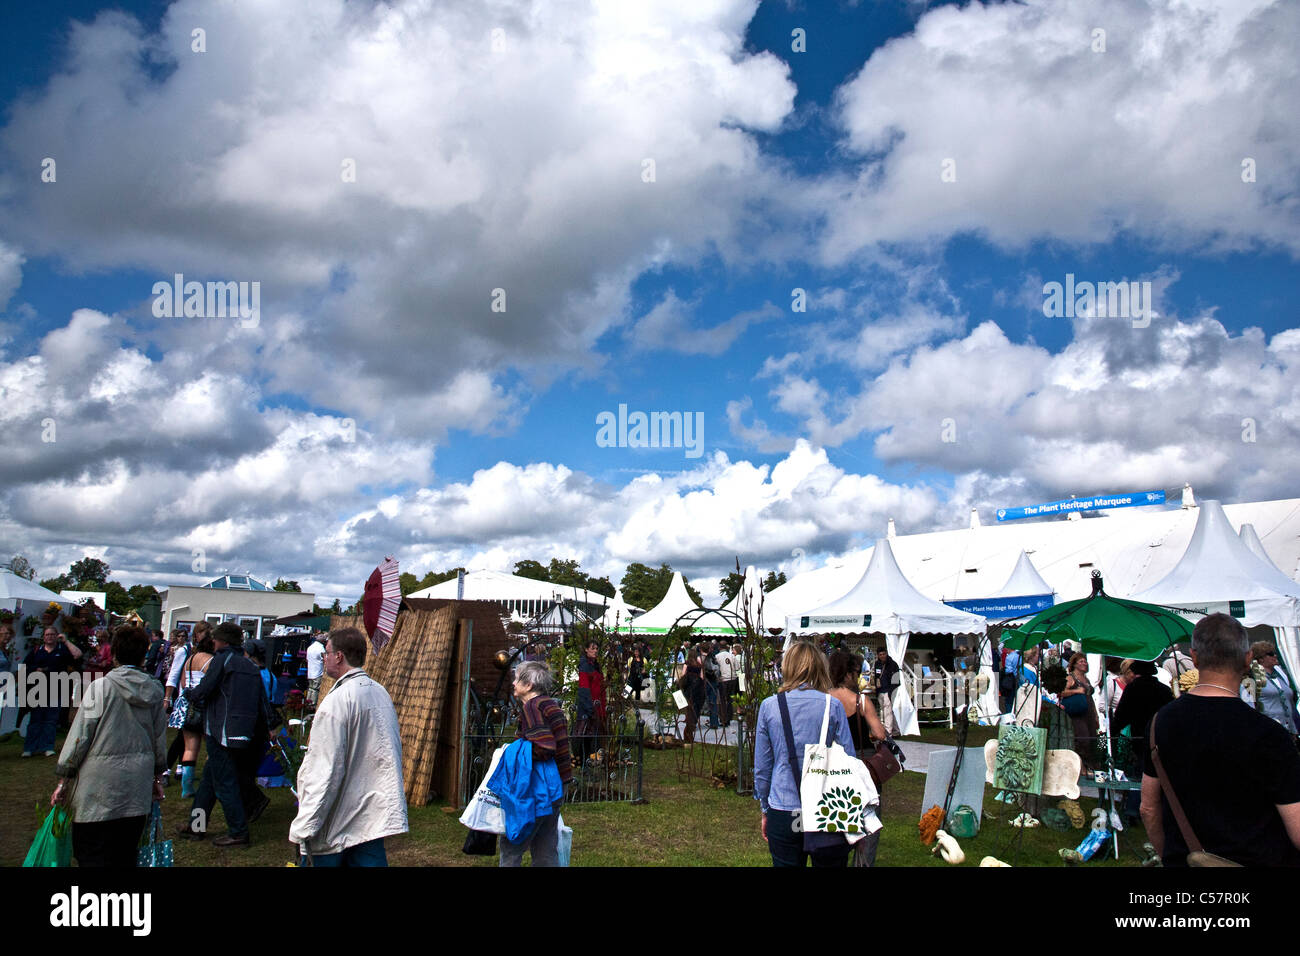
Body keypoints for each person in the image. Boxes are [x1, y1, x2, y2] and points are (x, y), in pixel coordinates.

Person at [1140, 613, 1300, 866]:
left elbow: (1148, 808)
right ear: (1247, 659)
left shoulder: (1159, 723)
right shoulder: (1268, 734)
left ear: (1194, 657)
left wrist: (1169, 858)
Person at [289, 628, 407, 866]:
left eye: (327, 653)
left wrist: (304, 827)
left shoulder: (337, 702)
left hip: (337, 822)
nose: (325, 658)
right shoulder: (380, 693)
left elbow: (324, 771)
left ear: (339, 656)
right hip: (369, 818)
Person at [50, 625, 167, 867]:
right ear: (143, 654)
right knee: (125, 854)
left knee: (93, 854)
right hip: (136, 785)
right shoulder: (154, 691)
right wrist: (157, 776)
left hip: (98, 790)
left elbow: (81, 735)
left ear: (114, 653)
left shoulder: (100, 688)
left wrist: (64, 779)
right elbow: (159, 739)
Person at [754, 641, 857, 867]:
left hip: (784, 806)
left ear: (787, 667)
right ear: (820, 668)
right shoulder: (833, 706)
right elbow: (850, 761)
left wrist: (765, 809)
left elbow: (763, 768)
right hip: (827, 807)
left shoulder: (770, 706)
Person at [179, 622, 271, 847]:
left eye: (216, 639)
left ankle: (238, 831)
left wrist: (189, 694)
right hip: (243, 732)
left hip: (220, 730)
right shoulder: (250, 666)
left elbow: (205, 690)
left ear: (223, 641)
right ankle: (196, 825)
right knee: (209, 783)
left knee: (224, 782)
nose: (213, 642)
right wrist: (271, 725)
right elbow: (262, 701)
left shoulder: (222, 660)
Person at [499, 660, 573, 866]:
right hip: (559, 783)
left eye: (517, 679)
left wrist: (513, 752)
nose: (513, 683)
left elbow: (544, 747)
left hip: (539, 787)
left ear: (529, 684)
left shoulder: (533, 707)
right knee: (545, 846)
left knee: (512, 844)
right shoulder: (551, 704)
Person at [1112, 659, 1172, 823]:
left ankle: (1133, 810)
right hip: (1160, 737)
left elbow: (1122, 715)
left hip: (1140, 736)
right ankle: (1152, 808)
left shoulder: (1133, 688)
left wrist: (1113, 731)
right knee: (1156, 774)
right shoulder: (1164, 690)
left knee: (1140, 773)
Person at [164, 625, 215, 796]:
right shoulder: (211, 661)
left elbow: (184, 683)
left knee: (190, 748)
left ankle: (186, 787)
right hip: (206, 707)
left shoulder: (190, 659)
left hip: (189, 707)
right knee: (210, 748)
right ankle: (208, 786)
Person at [23, 626, 83, 757]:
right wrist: (36, 670)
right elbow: (25, 666)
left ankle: (47, 747)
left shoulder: (62, 651)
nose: (49, 637)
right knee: (35, 720)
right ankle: (29, 748)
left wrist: (66, 641)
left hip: (56, 689)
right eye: (47, 635)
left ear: (57, 636)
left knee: (51, 720)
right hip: (37, 690)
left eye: (52, 634)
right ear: (43, 637)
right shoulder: (37, 651)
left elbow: (77, 654)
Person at [1251, 641, 1298, 737]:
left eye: (1275, 653)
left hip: (1290, 729)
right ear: (1261, 659)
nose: (1275, 656)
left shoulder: (1281, 674)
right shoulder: (1253, 677)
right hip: (1269, 729)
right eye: (1271, 654)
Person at [1060, 653, 1100, 767]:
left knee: (1092, 738)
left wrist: (1096, 715)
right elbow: (1061, 692)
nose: (1084, 663)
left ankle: (1088, 766)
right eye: (1081, 661)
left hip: (1089, 713)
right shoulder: (1070, 678)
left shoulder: (1086, 679)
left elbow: (1090, 698)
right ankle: (1080, 766)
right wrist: (1076, 691)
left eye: (1085, 661)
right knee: (1083, 739)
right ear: (1075, 664)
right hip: (1077, 714)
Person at [872, 647, 900, 736]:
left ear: (886, 653)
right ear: (878, 655)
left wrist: (892, 690)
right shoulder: (877, 664)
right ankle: (896, 730)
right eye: (880, 654)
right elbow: (876, 676)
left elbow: (897, 679)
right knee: (887, 711)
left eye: (884, 654)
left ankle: (888, 733)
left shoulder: (893, 664)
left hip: (889, 690)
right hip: (880, 690)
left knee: (887, 711)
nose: (882, 656)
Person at [682, 648, 706, 744]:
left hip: (688, 688)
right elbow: (702, 677)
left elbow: (683, 675)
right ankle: (692, 723)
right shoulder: (699, 665)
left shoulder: (687, 664)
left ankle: (689, 725)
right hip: (697, 688)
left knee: (688, 707)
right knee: (695, 707)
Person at [716, 641, 737, 725]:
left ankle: (724, 718)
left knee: (723, 700)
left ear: (719, 647)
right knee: (729, 699)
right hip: (732, 678)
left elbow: (716, 669)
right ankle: (729, 717)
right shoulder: (732, 656)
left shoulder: (717, 656)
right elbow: (737, 667)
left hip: (723, 679)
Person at [305, 632, 326, 706]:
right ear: (323, 641)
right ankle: (312, 705)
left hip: (310, 673)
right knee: (315, 689)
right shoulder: (321, 648)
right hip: (318, 672)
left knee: (310, 689)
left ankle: (307, 703)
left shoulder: (310, 647)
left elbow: (307, 660)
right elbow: (325, 659)